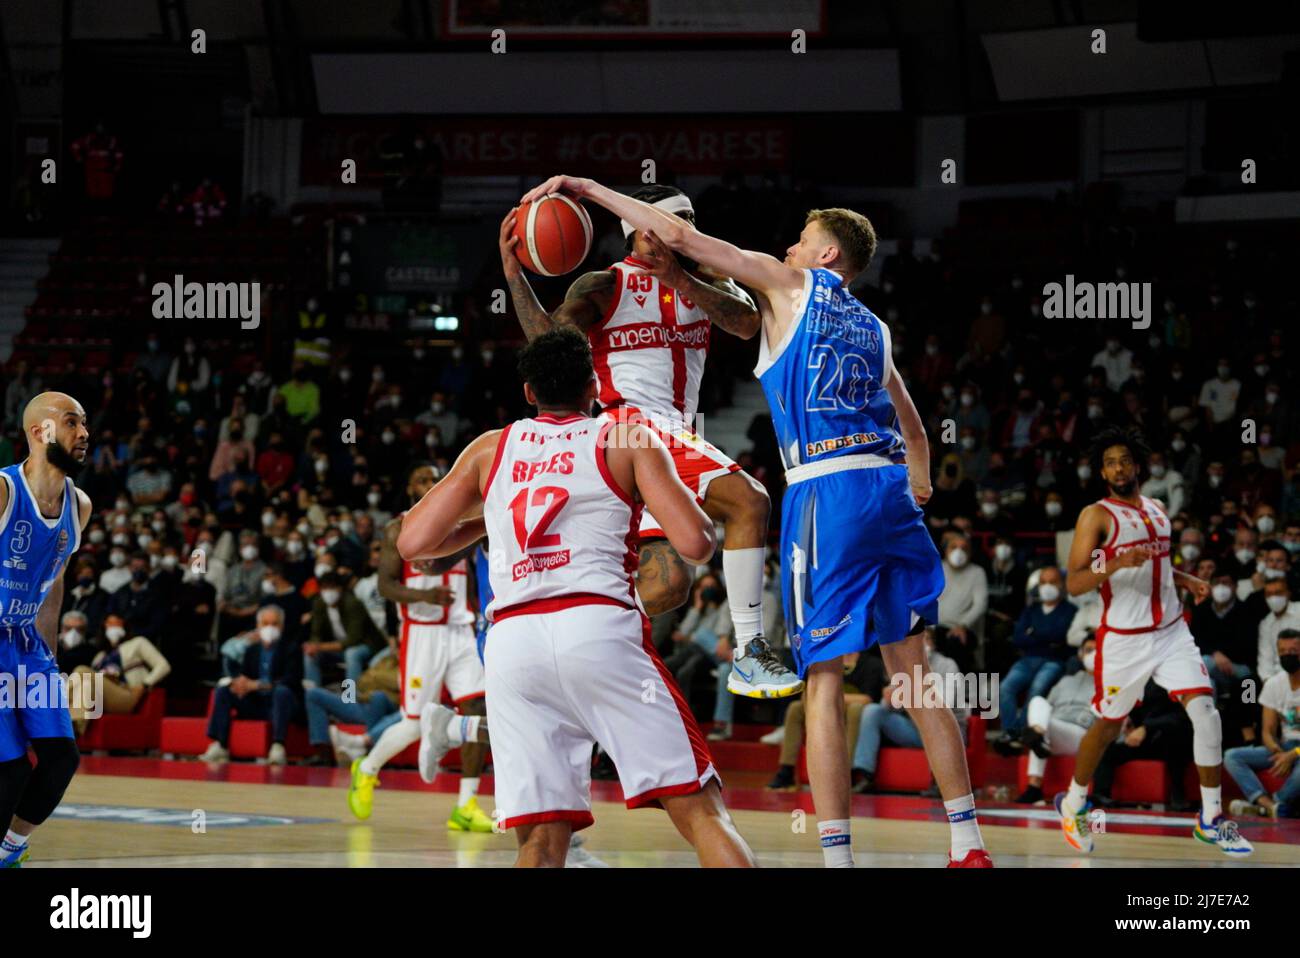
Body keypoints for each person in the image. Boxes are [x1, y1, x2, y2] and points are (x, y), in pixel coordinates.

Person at [523, 175, 990, 867]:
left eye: (802, 240)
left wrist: (588, 188)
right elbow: (915, 430)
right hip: (887, 489)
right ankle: (968, 843)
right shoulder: (875, 325)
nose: (789, 246)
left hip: (826, 490)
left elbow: (685, 242)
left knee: (825, 681)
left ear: (827, 255)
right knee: (914, 673)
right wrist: (915, 486)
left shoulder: (787, 286)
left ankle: (835, 855)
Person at [396, 328, 755, 867]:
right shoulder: (627, 437)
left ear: (528, 391)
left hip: (514, 644)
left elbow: (414, 543)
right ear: (594, 384)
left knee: (540, 843)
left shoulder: (490, 448)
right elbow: (698, 544)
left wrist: (488, 521)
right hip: (597, 627)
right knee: (701, 813)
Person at [500, 184, 798, 700]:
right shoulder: (604, 284)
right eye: (676, 220)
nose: (688, 229)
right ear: (639, 231)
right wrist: (514, 277)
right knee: (749, 500)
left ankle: (571, 646)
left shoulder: (708, 277)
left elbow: (747, 324)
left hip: (674, 432)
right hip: (625, 427)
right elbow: (552, 345)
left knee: (665, 587)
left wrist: (679, 277)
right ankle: (750, 653)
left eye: (691, 219)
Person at [1059, 425, 1250, 855]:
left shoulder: (1158, 509)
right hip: (1124, 640)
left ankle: (1210, 818)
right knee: (1108, 725)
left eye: (1124, 460)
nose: (1118, 467)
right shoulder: (1096, 516)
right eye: (1110, 462)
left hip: (1171, 633)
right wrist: (1116, 561)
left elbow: (1159, 566)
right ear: (1102, 472)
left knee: (1207, 712)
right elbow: (1074, 581)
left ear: (1139, 464)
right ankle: (1073, 803)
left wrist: (1186, 580)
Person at [349, 463, 492, 832]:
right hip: (423, 633)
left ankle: (466, 805)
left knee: (478, 710)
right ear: (411, 488)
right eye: (422, 479)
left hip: (460, 630)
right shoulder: (399, 527)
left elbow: (472, 579)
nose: (430, 483)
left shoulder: (464, 522)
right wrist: (424, 594)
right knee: (414, 725)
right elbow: (385, 586)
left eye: (435, 478)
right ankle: (366, 768)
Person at [0, 392, 93, 868]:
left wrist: (49, 660)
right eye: (72, 422)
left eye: (85, 424)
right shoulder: (4, 492)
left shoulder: (79, 505)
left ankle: (10, 849)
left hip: (28, 646)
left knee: (61, 758)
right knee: (10, 771)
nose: (84, 432)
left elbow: (52, 589)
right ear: (40, 432)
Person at [200, 605, 303, 765]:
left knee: (282, 691)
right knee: (223, 691)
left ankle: (277, 746)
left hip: (281, 703)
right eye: (265, 623)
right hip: (256, 703)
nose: (270, 628)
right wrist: (240, 683)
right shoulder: (252, 650)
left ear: (281, 626)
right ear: (258, 626)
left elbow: (291, 680)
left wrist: (258, 685)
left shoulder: (291, 648)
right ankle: (220, 744)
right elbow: (245, 675)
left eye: (274, 624)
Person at [993, 567, 1075, 753]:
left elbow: (1062, 637)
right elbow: (1018, 638)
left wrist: (1034, 634)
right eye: (1043, 582)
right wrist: (1047, 639)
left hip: (1054, 661)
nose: (1047, 586)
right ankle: (1011, 732)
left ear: (1061, 584)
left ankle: (1020, 734)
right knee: (1005, 688)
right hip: (1028, 659)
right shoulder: (1031, 610)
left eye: (1052, 582)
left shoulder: (1069, 610)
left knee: (1037, 689)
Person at [1226, 629, 1300, 819]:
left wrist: (1292, 755)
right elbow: (1267, 730)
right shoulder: (1252, 682)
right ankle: (1268, 805)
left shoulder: (1249, 681)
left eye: (1292, 650)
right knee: (1232, 756)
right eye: (1282, 651)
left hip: (1297, 750)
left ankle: (1269, 806)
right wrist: (1277, 752)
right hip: (1281, 744)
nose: (1287, 655)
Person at [1015, 638, 1099, 804]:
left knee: (1039, 732)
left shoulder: (1106, 684)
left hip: (1081, 735)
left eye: (1098, 651)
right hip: (1054, 731)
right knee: (1038, 701)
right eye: (1089, 650)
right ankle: (1037, 737)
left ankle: (1034, 787)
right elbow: (1047, 706)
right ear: (1080, 655)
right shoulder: (1066, 681)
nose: (1093, 655)